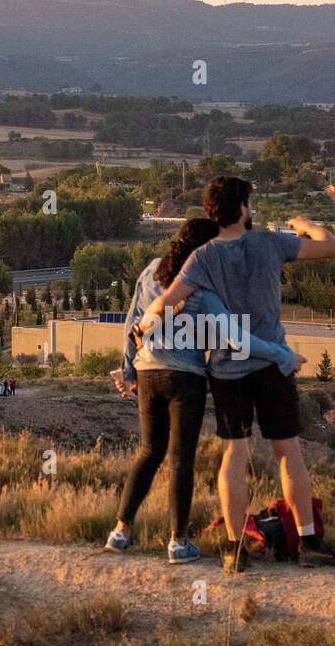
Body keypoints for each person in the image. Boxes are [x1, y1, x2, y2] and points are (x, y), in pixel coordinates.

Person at [143, 176, 335, 571]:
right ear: (244, 207)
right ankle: (308, 543)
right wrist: (303, 222)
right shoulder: (270, 243)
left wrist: (148, 320)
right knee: (288, 452)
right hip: (271, 362)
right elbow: (329, 244)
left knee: (234, 453)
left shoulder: (203, 258)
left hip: (227, 369)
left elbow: (165, 300)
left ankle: (234, 549)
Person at [105, 218, 296, 565]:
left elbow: (132, 321)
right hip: (186, 378)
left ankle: (121, 532)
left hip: (149, 372)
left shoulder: (150, 272)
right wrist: (283, 354)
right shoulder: (204, 293)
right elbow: (236, 339)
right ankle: (178, 542)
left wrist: (130, 369)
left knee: (149, 452)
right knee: (181, 458)